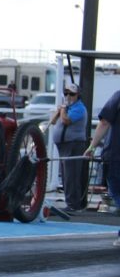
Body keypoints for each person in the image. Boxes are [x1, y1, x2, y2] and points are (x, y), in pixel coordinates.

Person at [85, 88, 120, 246]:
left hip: (116, 155)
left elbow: (104, 122)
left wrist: (92, 147)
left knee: (117, 192)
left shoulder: (118, 96)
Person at [50, 82, 88, 211]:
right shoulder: (66, 108)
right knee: (66, 175)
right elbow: (53, 121)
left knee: (71, 175)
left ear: (78, 95)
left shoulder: (79, 108)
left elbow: (66, 120)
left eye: (72, 94)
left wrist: (63, 111)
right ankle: (70, 202)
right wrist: (59, 110)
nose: (68, 96)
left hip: (73, 144)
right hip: (64, 145)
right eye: (66, 93)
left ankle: (73, 205)